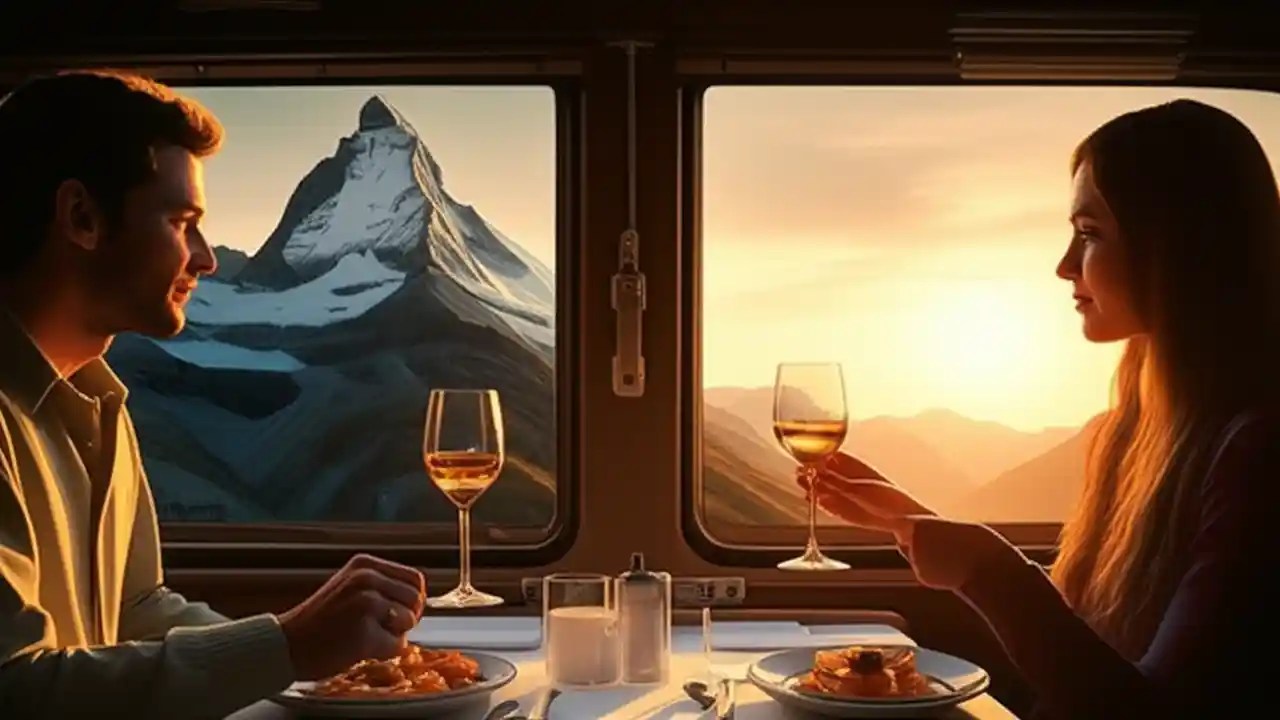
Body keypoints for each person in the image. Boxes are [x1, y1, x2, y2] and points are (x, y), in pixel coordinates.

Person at [805, 99, 1279, 719]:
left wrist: (987, 566)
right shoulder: (1140, 432)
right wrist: (914, 524)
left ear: (1180, 247)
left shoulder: (1257, 455)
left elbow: (1148, 712)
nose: (1063, 266)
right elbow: (1086, 646)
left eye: (1089, 234)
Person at [0, 70, 427, 718]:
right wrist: (288, 645)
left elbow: (135, 609)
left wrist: (301, 658)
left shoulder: (95, 405)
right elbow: (15, 690)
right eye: (183, 222)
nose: (206, 259)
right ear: (82, 218)